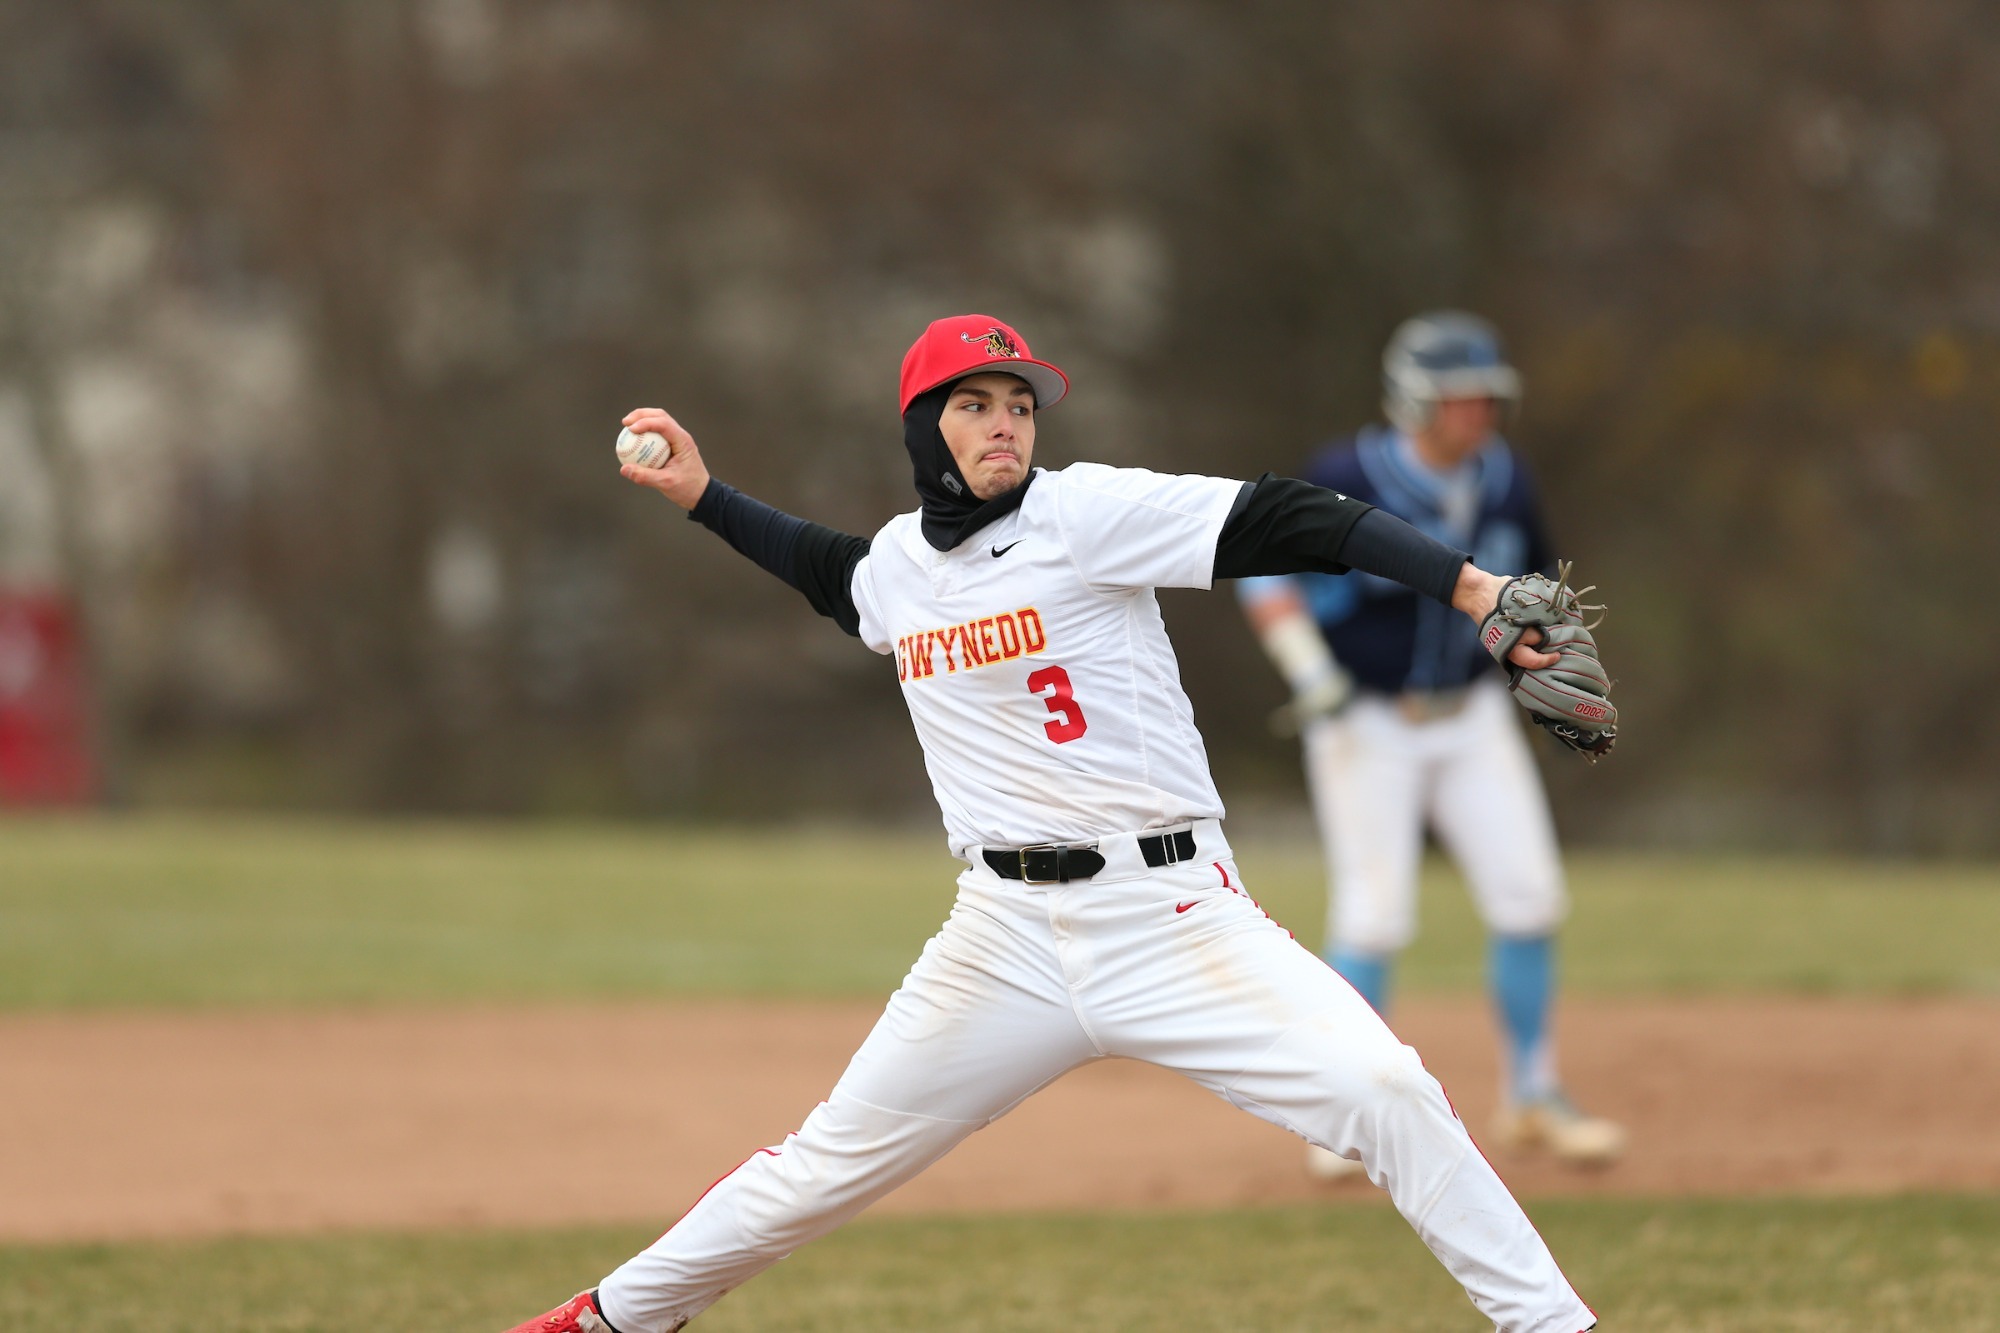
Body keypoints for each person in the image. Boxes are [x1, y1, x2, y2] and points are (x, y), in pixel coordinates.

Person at [506, 314, 1601, 1333]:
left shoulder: (1081, 515)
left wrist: (1463, 589)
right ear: (922, 427)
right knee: (826, 1160)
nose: (1005, 423)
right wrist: (703, 495)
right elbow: (818, 567)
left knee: (1386, 1090)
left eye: (1020, 405)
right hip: (1003, 941)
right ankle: (608, 1318)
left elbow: (1288, 518)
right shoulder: (897, 570)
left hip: (1170, 916)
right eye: (975, 402)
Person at [1236, 311, 1625, 1184]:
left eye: (1489, 396)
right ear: (1417, 398)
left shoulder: (1503, 478)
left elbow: (1539, 590)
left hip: (1472, 718)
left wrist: (1552, 672)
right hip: (1367, 721)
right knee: (1374, 913)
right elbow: (1263, 569)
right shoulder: (1348, 474)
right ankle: (1348, 1113)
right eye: (1464, 397)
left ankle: (1531, 1091)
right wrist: (1307, 671)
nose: (1481, 412)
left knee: (1529, 896)